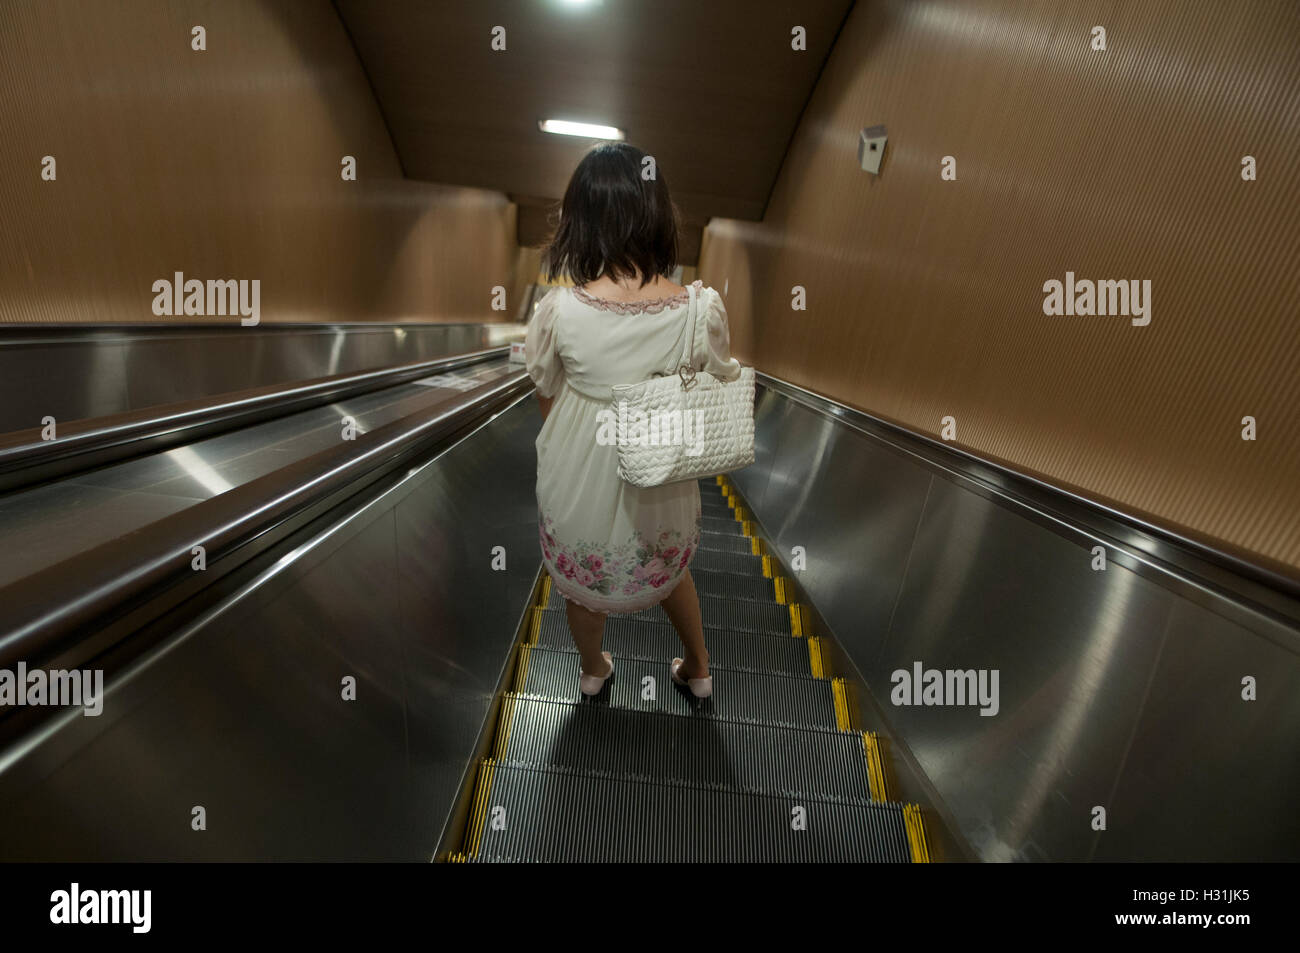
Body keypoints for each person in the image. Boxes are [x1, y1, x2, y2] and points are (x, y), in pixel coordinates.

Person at [524, 142, 742, 699]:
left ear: (580, 219)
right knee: (670, 575)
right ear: (657, 213)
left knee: (580, 591)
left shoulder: (557, 312)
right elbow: (721, 376)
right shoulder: (699, 308)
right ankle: (698, 669)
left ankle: (595, 670)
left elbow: (546, 394)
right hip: (661, 475)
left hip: (577, 479)